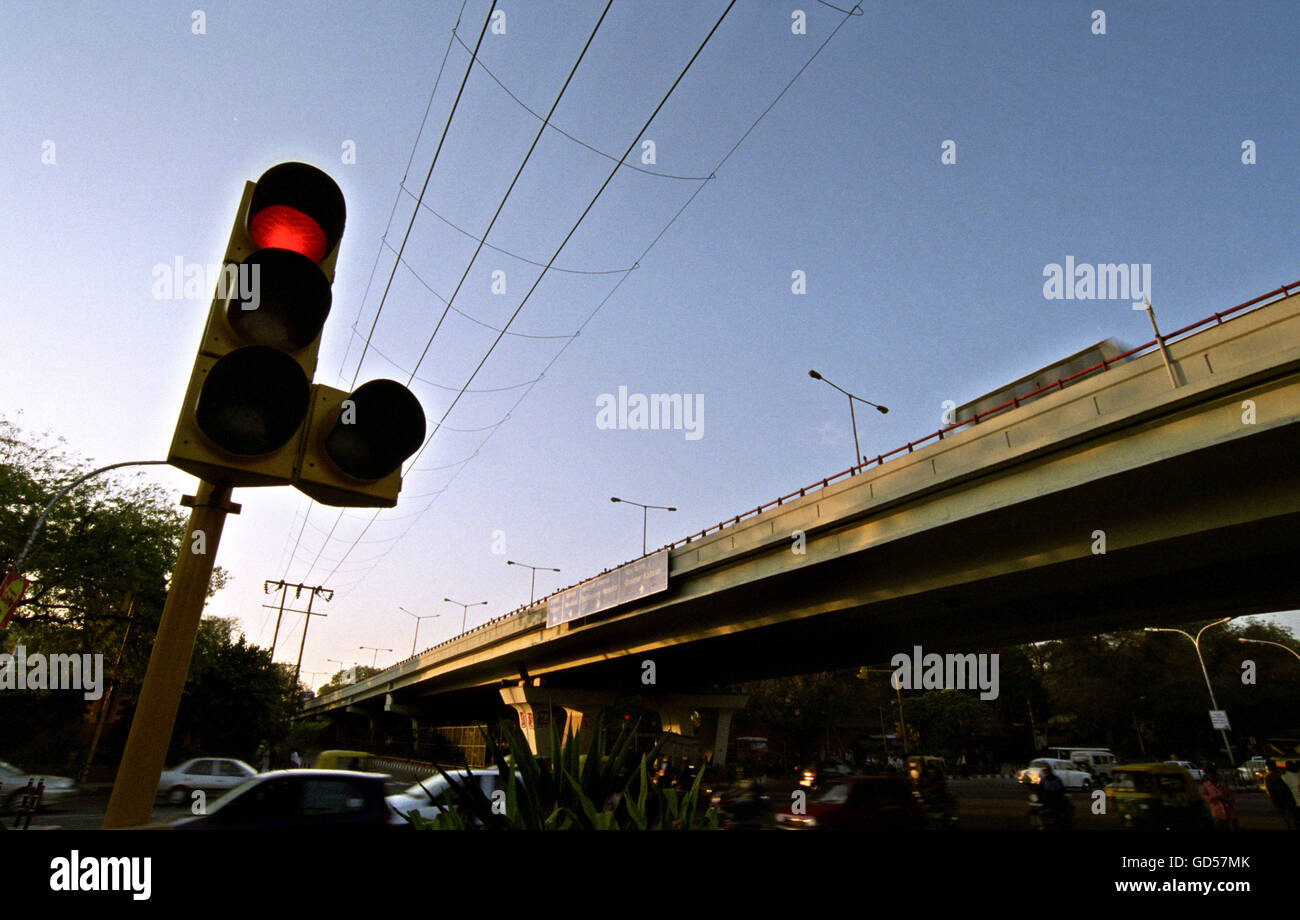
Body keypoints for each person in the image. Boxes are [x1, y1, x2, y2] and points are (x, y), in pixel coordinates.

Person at [1263, 761, 1298, 830]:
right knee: (1294, 816)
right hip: (1291, 799)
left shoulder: (1269, 777)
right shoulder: (1283, 773)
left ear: (1268, 767)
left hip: (1282, 801)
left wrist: (1274, 802)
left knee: (1289, 819)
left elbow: (1270, 791)